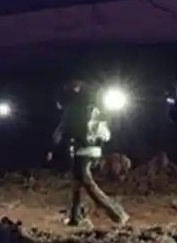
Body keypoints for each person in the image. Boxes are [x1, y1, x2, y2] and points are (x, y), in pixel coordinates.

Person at [49, 80, 129, 228]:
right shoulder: (92, 109)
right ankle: (75, 217)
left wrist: (55, 147)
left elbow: (64, 131)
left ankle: (117, 214)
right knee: (77, 183)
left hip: (83, 150)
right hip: (91, 149)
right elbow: (105, 134)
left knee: (86, 182)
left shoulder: (75, 110)